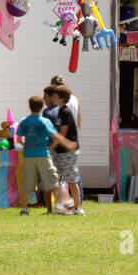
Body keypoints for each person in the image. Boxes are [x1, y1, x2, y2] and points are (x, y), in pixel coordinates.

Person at [18, 96, 66, 215]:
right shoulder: (45, 121)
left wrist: (26, 146)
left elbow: (19, 139)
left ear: (29, 106)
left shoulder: (24, 121)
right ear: (41, 107)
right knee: (51, 180)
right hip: (43, 154)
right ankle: (60, 207)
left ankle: (24, 209)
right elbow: (55, 138)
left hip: (28, 155)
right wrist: (49, 149)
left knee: (28, 182)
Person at [47, 84, 82, 215]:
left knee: (71, 179)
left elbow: (62, 134)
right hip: (61, 151)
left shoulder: (65, 112)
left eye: (54, 96)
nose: (52, 98)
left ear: (61, 98)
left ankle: (78, 207)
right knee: (56, 178)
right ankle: (64, 204)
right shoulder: (60, 111)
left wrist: (51, 148)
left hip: (68, 151)